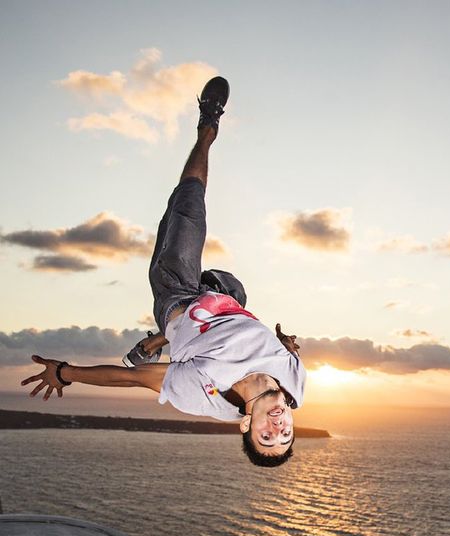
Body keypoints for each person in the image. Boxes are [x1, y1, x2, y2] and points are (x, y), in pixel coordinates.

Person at [21, 77, 306, 467]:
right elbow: (289, 355)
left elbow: (133, 380)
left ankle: (207, 129)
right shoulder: (296, 386)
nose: (277, 427)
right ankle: (158, 341)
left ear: (246, 426)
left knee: (187, 209)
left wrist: (66, 373)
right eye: (284, 435)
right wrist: (285, 342)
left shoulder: (202, 392)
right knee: (212, 262)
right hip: (227, 296)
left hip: (179, 296)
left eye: (266, 436)